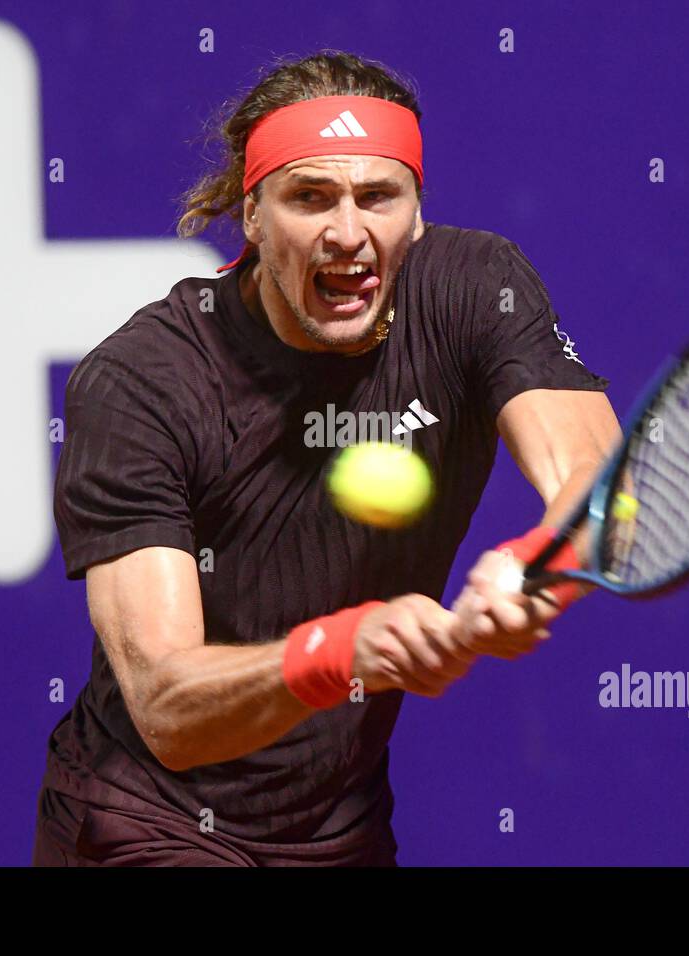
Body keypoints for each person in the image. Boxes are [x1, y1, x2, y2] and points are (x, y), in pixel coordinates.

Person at [31, 50, 622, 867]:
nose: (348, 233)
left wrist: (537, 565)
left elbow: (604, 488)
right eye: (309, 198)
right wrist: (336, 651)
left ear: (416, 212)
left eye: (379, 196)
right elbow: (168, 712)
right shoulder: (144, 380)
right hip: (147, 818)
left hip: (337, 828)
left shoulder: (476, 288)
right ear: (252, 214)